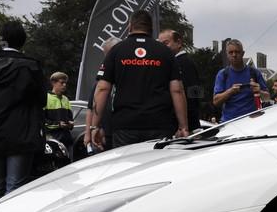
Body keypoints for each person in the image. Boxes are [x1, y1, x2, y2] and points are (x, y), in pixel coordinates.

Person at [91, 11, 188, 148]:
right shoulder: (165, 52)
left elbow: (102, 89)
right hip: (159, 124)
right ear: (151, 29)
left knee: (126, 168)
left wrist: (94, 126)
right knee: (155, 168)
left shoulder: (116, 51)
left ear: (129, 26)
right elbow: (177, 90)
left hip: (125, 126)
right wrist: (183, 126)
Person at [0, 21, 46, 203]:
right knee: (15, 186)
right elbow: (42, 99)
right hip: (22, 131)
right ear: (23, 40)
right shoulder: (32, 66)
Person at [158, 28, 202, 133]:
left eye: (166, 43)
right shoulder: (184, 62)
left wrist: (190, 123)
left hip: (184, 126)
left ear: (178, 43)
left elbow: (194, 93)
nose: (162, 47)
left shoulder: (182, 64)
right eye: (160, 44)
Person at [212, 39, 267, 121]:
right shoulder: (223, 74)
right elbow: (216, 101)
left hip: (252, 121)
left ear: (243, 53)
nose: (234, 55)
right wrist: (230, 91)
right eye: (231, 52)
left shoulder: (254, 72)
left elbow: (267, 98)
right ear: (227, 54)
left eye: (237, 52)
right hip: (230, 123)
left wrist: (259, 91)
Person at [84, 37, 118, 153]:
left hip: (123, 132)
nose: (107, 58)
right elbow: (90, 109)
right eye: (106, 54)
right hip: (104, 135)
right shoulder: (101, 81)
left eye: (108, 54)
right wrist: (89, 132)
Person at [44, 71, 74, 150]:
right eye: (62, 83)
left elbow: (70, 118)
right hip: (52, 140)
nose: (64, 85)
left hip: (67, 140)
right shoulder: (46, 98)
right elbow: (41, 120)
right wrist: (58, 124)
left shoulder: (66, 99)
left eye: (65, 83)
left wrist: (70, 123)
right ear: (53, 83)